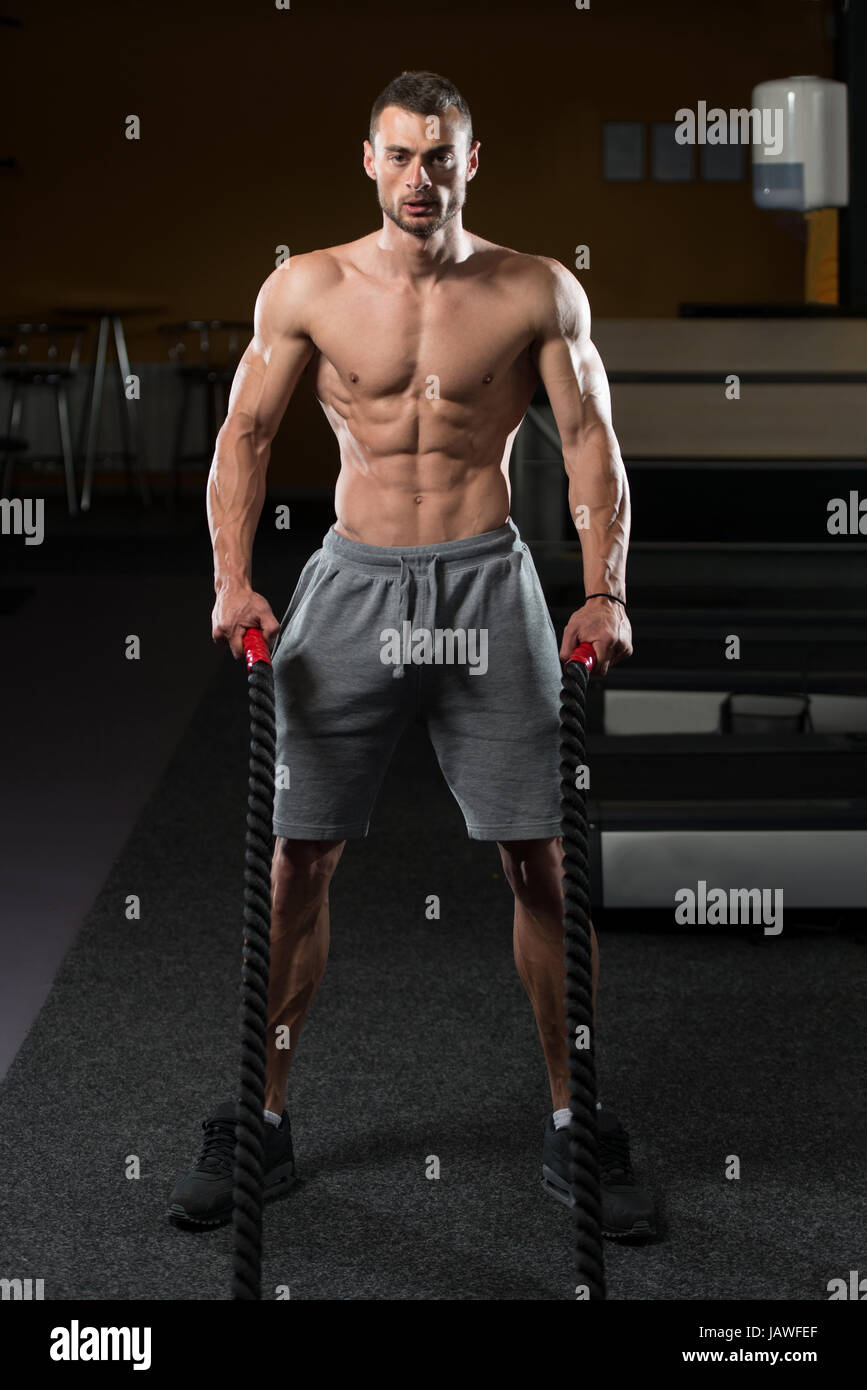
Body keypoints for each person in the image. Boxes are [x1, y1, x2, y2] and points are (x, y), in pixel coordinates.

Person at [168, 70, 656, 1242]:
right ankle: (264, 1117)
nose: (419, 178)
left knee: (546, 863)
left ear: (470, 163)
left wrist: (603, 591)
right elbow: (243, 433)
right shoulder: (309, 288)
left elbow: (589, 443)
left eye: (440, 157)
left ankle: (573, 1118)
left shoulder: (536, 290)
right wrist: (233, 579)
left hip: (489, 583)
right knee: (297, 865)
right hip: (352, 585)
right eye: (399, 155)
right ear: (370, 161)